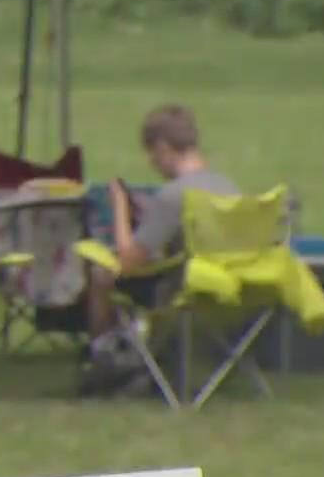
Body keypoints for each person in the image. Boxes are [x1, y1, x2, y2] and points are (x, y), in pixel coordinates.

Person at [82, 104, 238, 390]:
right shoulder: (227, 187)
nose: (151, 163)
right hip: (230, 290)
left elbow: (129, 263)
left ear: (163, 148)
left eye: (151, 154)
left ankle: (105, 359)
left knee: (101, 273)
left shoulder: (174, 196)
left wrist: (120, 205)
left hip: (180, 291)